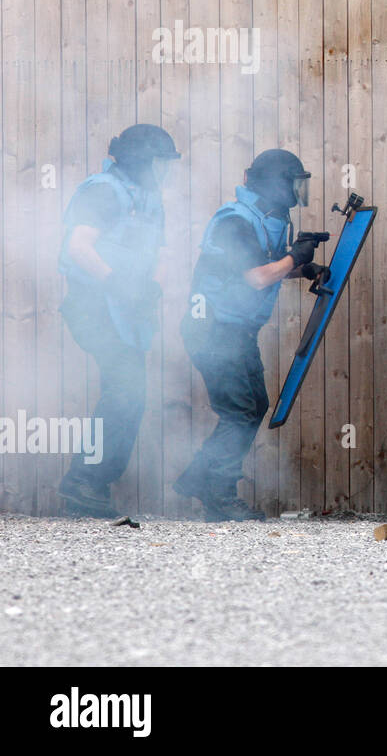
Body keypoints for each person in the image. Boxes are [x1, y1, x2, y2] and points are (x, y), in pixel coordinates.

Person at [174, 150, 327, 520]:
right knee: (239, 412)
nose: (296, 191)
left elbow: (257, 269)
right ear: (275, 184)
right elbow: (255, 277)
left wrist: (300, 269)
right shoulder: (235, 222)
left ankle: (199, 478)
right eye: (293, 183)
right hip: (213, 329)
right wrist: (296, 258)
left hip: (233, 329)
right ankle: (220, 494)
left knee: (253, 406)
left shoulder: (261, 218)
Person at [57, 124, 181, 518]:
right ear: (143, 161)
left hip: (125, 308)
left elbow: (161, 254)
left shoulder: (148, 198)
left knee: (130, 393)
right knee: (125, 390)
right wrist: (118, 283)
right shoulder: (104, 190)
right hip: (93, 303)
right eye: (161, 163)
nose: (165, 171)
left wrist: (152, 291)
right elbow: (77, 247)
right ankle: (83, 481)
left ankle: (91, 483)